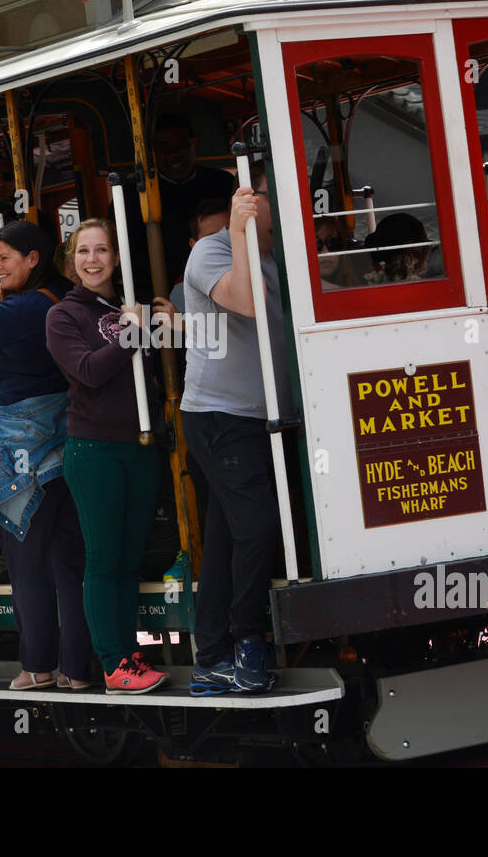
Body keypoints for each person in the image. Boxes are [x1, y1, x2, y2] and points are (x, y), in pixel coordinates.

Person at [0, 221, 92, 691]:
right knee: (66, 557)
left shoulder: (26, 307)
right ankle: (76, 669)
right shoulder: (59, 298)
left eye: (5, 257)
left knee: (23, 550)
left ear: (34, 259)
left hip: (20, 441)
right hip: (65, 432)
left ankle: (36, 666)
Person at [44, 219, 173, 694]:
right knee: (102, 559)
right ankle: (112, 662)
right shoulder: (63, 316)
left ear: (116, 258)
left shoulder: (127, 308)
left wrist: (167, 324)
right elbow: (88, 372)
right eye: (84, 252)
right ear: (71, 261)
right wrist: (130, 333)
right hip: (94, 450)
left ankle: (130, 654)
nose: (93, 259)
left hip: (139, 446)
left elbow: (164, 360)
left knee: (128, 560)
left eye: (101, 250)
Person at [181, 167, 292, 695]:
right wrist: (242, 231)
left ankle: (211, 654)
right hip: (220, 415)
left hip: (266, 416)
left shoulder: (275, 257)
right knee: (256, 527)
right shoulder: (212, 249)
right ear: (244, 200)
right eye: (269, 191)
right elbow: (243, 301)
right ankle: (248, 639)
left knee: (228, 534)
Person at [115, 112, 236, 299]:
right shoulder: (131, 197)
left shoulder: (222, 183)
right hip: (155, 301)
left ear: (194, 144)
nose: (174, 155)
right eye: (165, 147)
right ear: (153, 150)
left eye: (182, 145)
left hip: (222, 287)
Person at [170, 199, 230, 313]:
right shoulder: (180, 291)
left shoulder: (258, 267)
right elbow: (172, 328)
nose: (222, 242)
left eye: (227, 232)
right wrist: (181, 324)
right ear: (194, 245)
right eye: (212, 238)